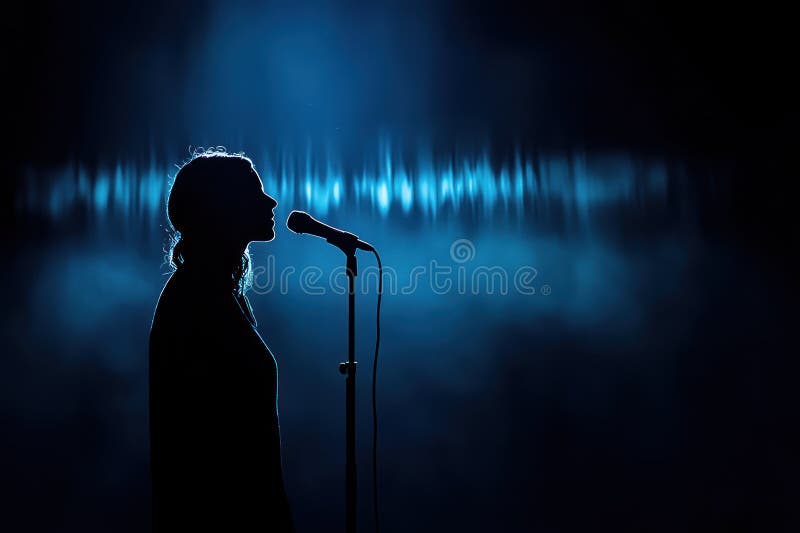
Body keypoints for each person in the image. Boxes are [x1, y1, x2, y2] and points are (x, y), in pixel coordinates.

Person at [148, 149, 294, 532]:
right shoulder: (196, 296)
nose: (271, 201)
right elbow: (203, 439)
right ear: (223, 207)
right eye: (255, 192)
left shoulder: (220, 293)